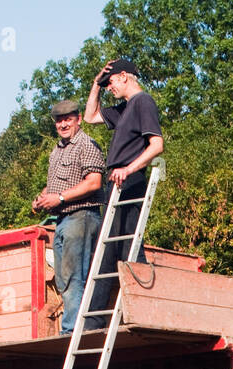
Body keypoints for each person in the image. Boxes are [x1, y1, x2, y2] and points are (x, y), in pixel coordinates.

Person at [83, 57, 164, 328]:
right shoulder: (125, 108)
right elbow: (90, 117)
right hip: (116, 182)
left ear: (125, 76)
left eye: (110, 82)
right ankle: (98, 320)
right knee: (113, 248)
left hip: (128, 181)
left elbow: (156, 145)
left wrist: (128, 170)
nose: (108, 88)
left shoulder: (143, 102)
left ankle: (137, 314)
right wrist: (95, 83)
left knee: (127, 247)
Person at [33, 99, 105, 334]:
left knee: (74, 277)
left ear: (78, 120)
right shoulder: (57, 150)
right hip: (62, 219)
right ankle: (72, 326)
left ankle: (72, 330)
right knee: (62, 279)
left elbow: (94, 182)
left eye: (68, 119)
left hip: (81, 216)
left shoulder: (87, 144)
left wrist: (60, 198)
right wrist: (42, 198)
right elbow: (54, 186)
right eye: (59, 120)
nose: (63, 124)